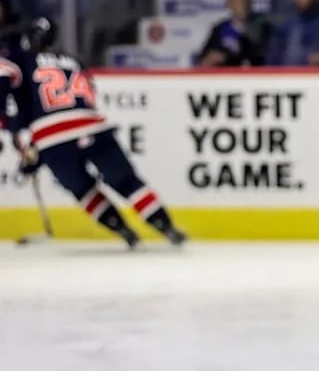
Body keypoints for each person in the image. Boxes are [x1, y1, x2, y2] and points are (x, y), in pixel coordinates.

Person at [0, 18, 187, 248]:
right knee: (126, 181)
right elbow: (83, 98)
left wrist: (8, 121)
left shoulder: (21, 58)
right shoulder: (75, 61)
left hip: (52, 138)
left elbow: (5, 75)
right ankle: (165, 225)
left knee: (83, 190)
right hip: (91, 126)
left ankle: (123, 229)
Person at [197, 0, 273, 67]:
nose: (242, 4)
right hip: (228, 77)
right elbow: (203, 62)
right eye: (236, 0)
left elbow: (272, 56)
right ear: (229, 3)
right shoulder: (220, 29)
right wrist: (210, 59)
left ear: (251, 1)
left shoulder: (264, 27)